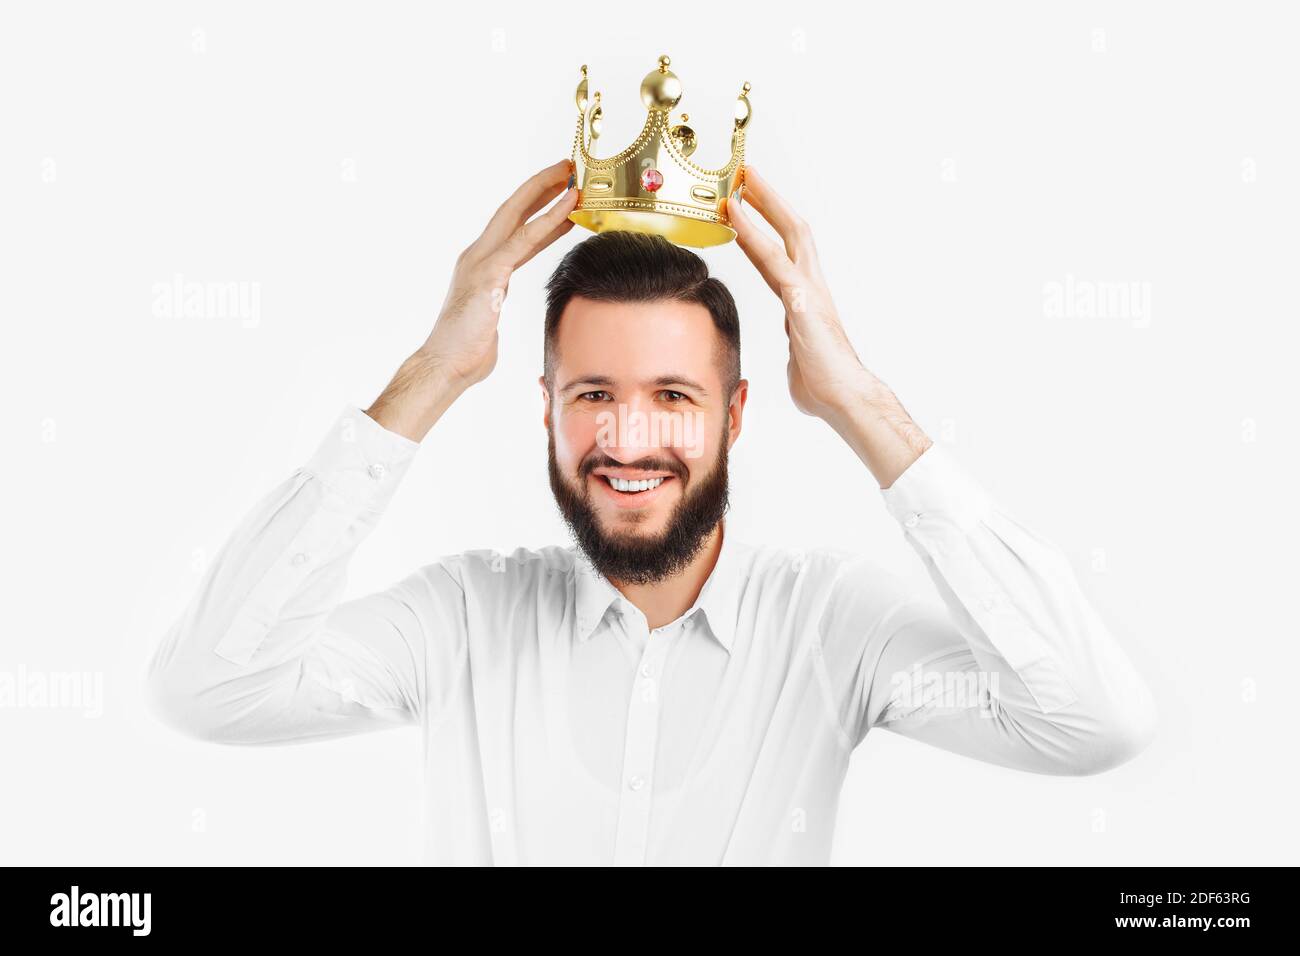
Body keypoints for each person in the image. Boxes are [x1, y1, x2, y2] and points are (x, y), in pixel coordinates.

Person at [147, 158, 1157, 865]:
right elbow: (207, 689)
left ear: (736, 413)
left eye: (673, 396)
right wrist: (430, 374)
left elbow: (1092, 720)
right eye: (592, 394)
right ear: (544, 408)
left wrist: (858, 401)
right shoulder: (460, 619)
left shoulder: (828, 625)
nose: (627, 440)